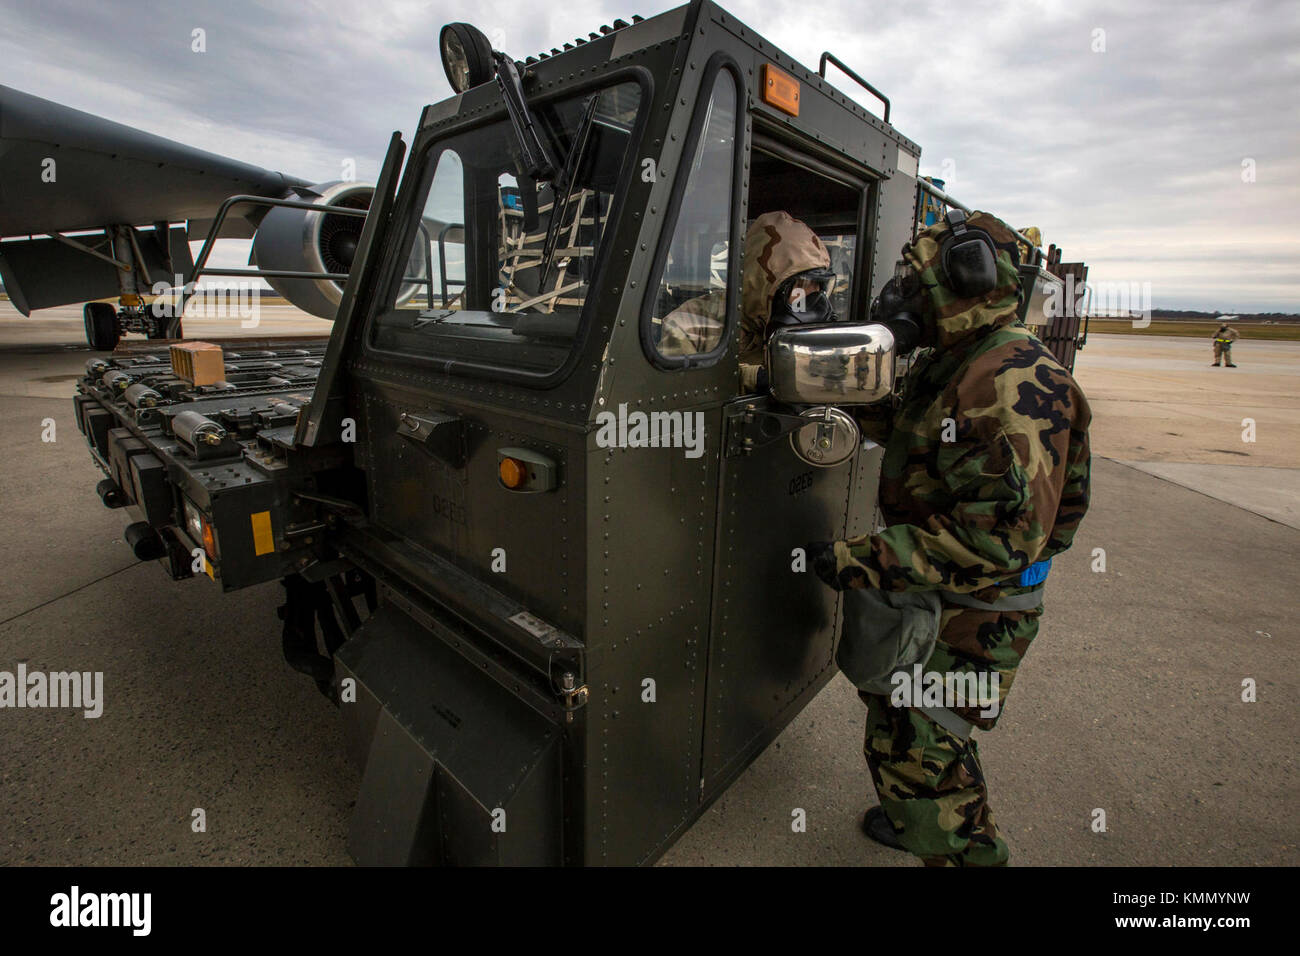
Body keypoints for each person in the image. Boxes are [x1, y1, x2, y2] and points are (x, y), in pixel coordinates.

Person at [806, 209, 1092, 866]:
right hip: (944, 597)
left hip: (980, 607)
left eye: (919, 280)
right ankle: (921, 804)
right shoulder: (962, 363)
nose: (906, 296)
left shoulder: (1014, 382)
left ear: (968, 277)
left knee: (923, 753)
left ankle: (949, 834)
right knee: (914, 728)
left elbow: (998, 542)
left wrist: (859, 561)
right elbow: (912, 429)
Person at [658, 211, 836, 387]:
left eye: (819, 286)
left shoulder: (797, 334)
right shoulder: (688, 322)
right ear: (762, 280)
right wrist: (753, 378)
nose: (812, 299)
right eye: (801, 285)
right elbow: (674, 390)